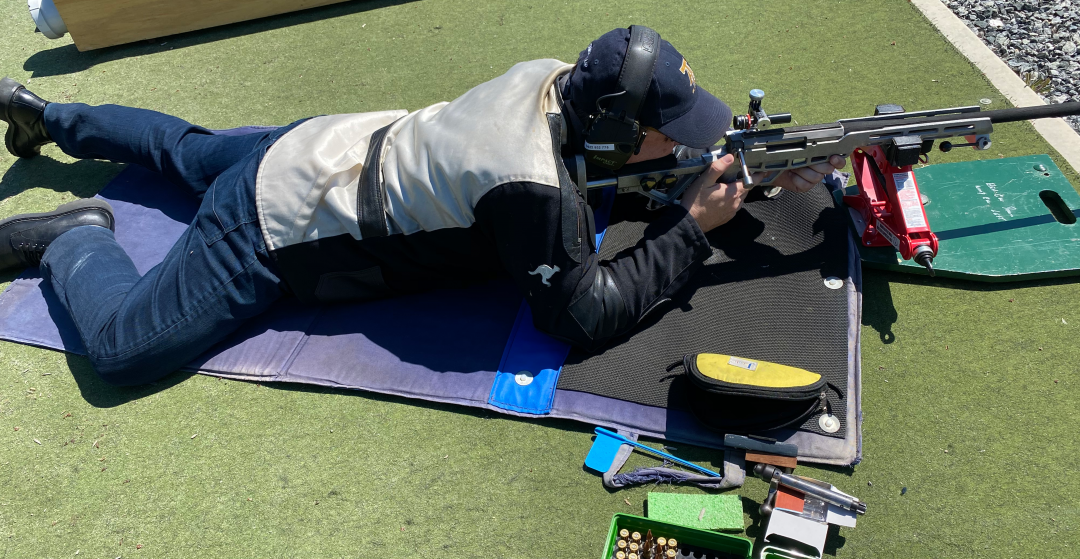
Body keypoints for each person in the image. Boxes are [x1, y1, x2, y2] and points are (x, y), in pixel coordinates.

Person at [0, 27, 846, 386]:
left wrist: (759, 170)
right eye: (667, 132)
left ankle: (49, 114)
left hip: (317, 141)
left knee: (178, 147)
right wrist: (690, 228)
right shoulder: (532, 189)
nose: (682, 145)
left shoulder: (559, 79)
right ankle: (72, 240)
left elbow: (626, 165)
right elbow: (583, 314)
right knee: (122, 350)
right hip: (271, 224)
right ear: (621, 124)